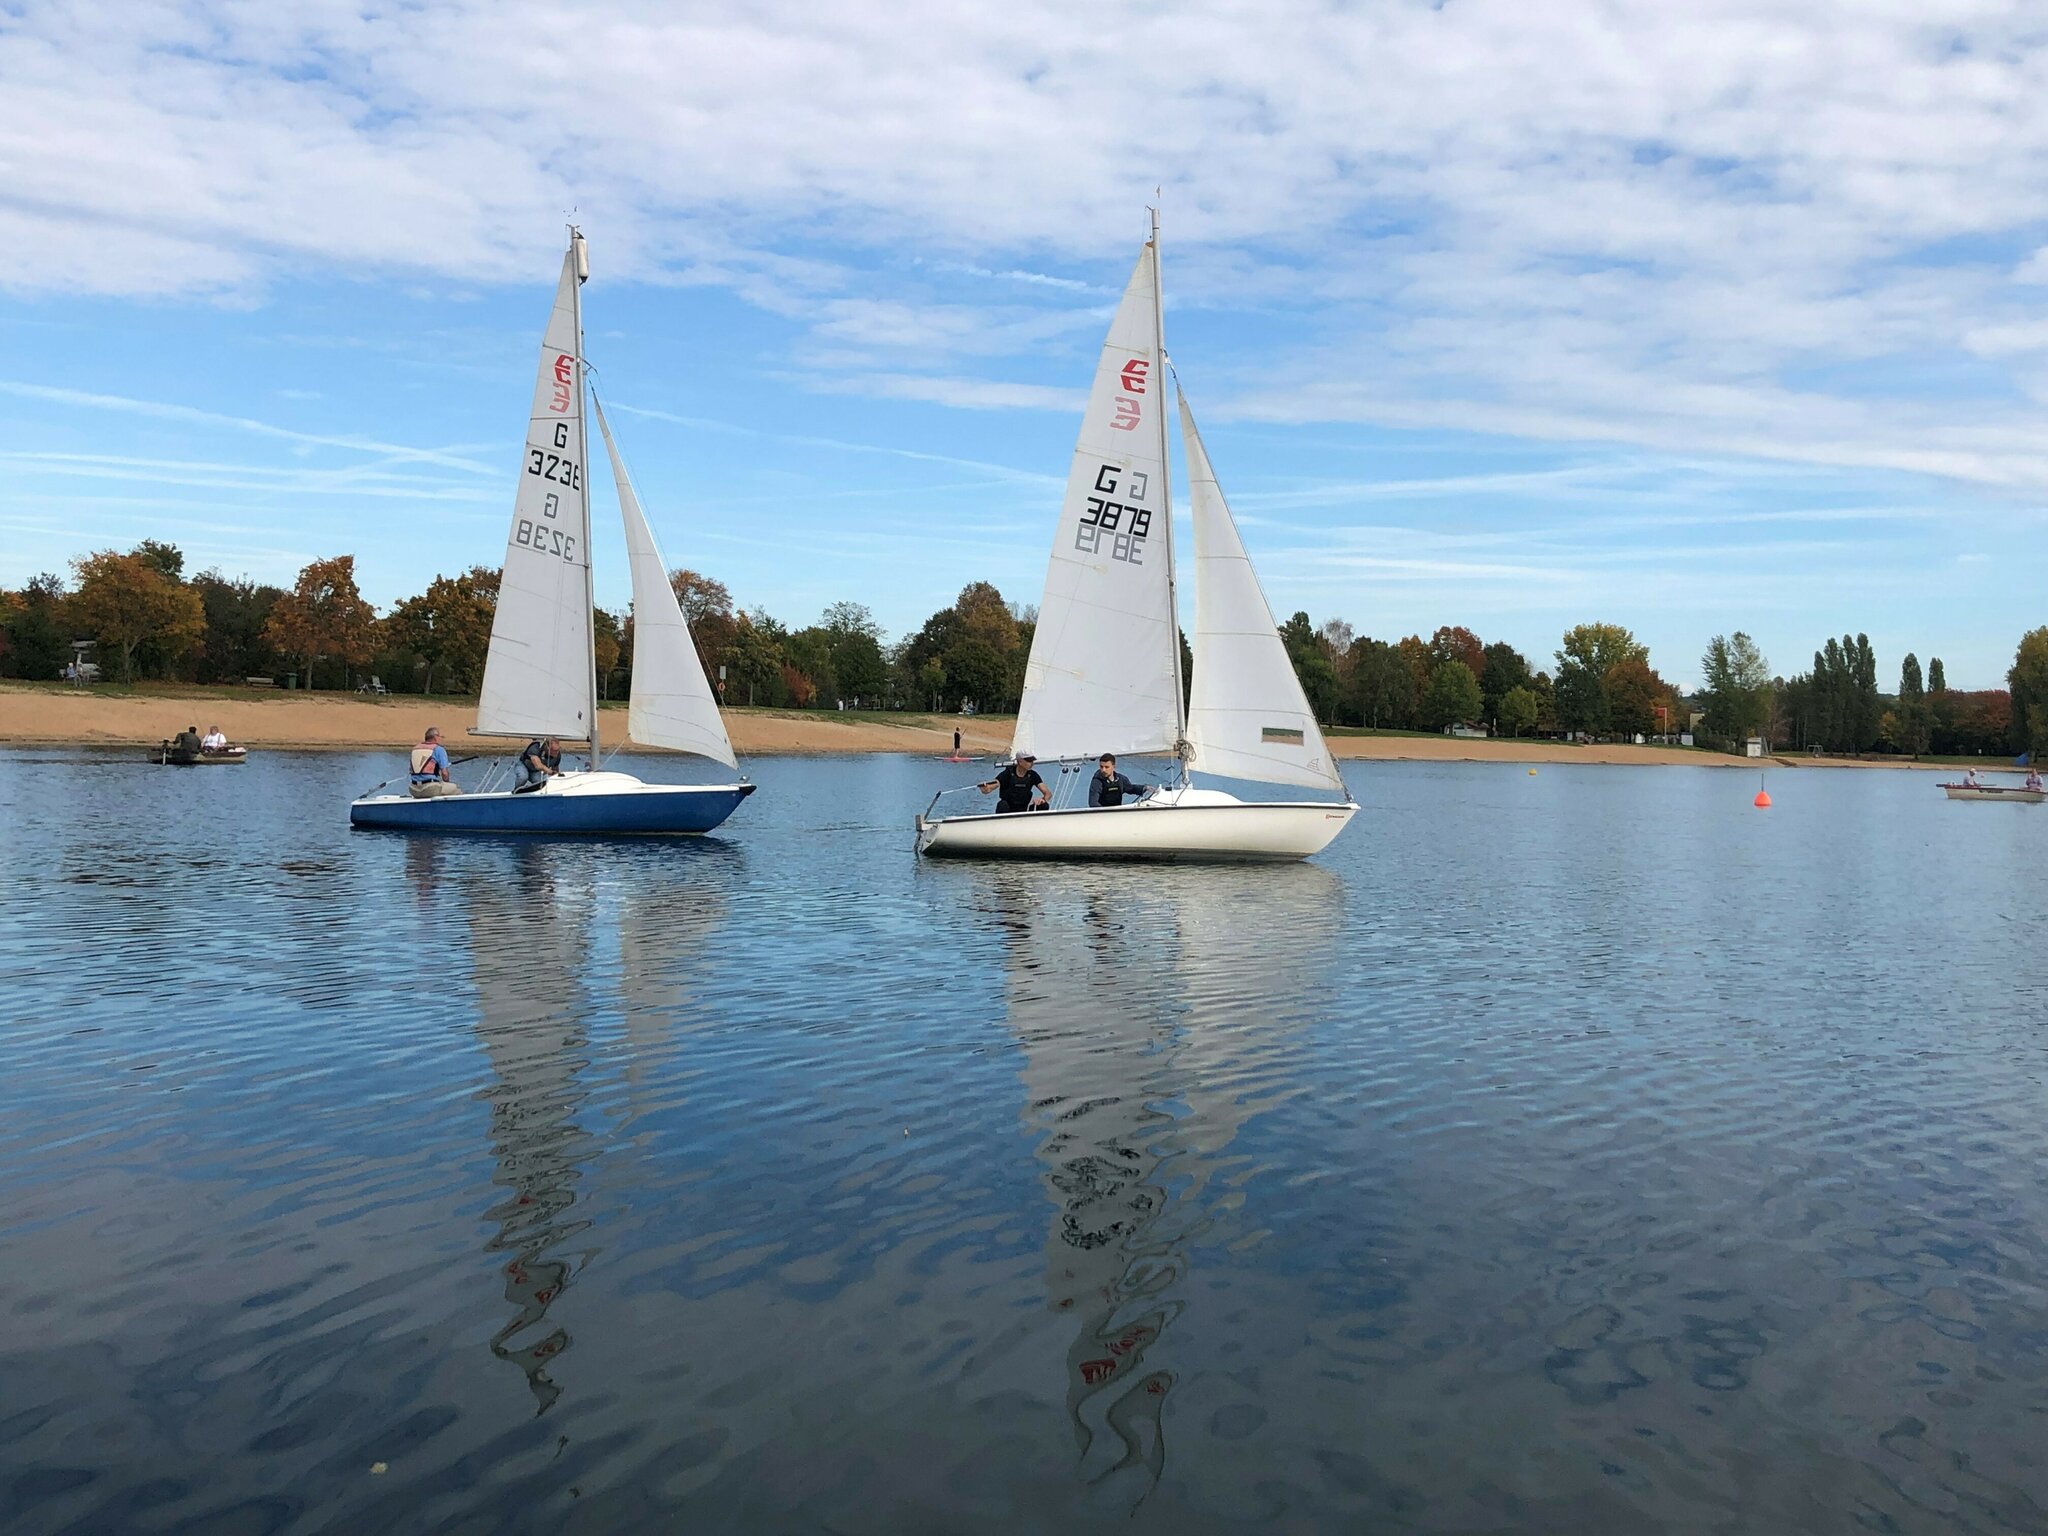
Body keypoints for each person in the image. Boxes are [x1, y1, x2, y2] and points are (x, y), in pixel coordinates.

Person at [979, 753, 1049, 813]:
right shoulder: (1007, 774)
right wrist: (986, 788)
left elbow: (1048, 794)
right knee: (1002, 804)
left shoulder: (1033, 775)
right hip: (1008, 809)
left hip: (1024, 809)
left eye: (1032, 761)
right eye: (1029, 761)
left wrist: (1041, 800)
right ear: (1020, 761)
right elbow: (992, 786)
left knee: (1044, 805)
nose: (1032, 763)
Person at [409, 726, 460, 798]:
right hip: (429, 788)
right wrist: (446, 783)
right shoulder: (438, 749)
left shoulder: (415, 749)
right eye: (440, 736)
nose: (441, 738)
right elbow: (444, 773)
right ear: (435, 737)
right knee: (455, 789)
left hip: (413, 789)